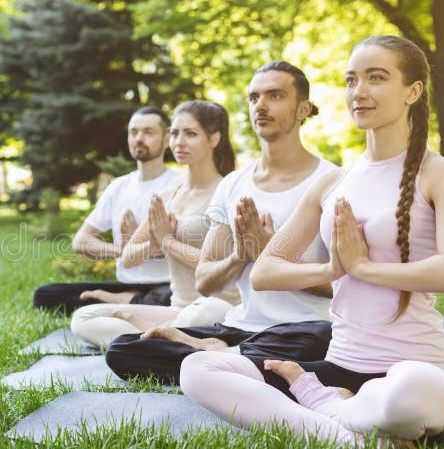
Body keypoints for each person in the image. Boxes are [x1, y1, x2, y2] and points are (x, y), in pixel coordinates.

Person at [179, 35, 444, 447]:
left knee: (409, 393)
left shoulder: (441, 172)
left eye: (376, 78)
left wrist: (362, 267)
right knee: (197, 369)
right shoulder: (332, 182)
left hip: (418, 368)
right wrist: (331, 269)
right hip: (339, 365)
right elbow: (265, 270)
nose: (359, 92)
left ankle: (328, 409)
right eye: (351, 80)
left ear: (413, 91)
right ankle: (353, 440)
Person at [106, 62, 336, 383]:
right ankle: (230, 359)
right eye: (254, 97)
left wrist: (267, 252)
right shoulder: (234, 185)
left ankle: (218, 358)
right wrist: (241, 255)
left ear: (303, 109)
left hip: (306, 327)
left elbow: (342, 287)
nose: (261, 105)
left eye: (276, 95)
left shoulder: (332, 181)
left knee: (320, 340)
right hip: (242, 326)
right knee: (123, 349)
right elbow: (205, 282)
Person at [71, 101, 241, 348]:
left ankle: (148, 339)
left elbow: (217, 266)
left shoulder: (227, 191)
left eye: (190, 134)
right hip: (178, 309)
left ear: (214, 139)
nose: (179, 141)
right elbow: (129, 257)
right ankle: (165, 339)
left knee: (202, 312)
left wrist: (167, 242)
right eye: (174, 133)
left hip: (220, 309)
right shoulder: (168, 195)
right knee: (83, 318)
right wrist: (152, 243)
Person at [32, 106, 182, 315]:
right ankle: (127, 301)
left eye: (148, 132)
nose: (139, 138)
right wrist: (125, 250)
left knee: (171, 298)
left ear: (167, 139)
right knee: (45, 294)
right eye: (133, 132)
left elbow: (180, 243)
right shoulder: (118, 186)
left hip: (166, 284)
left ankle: (119, 304)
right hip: (125, 283)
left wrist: (145, 244)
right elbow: (81, 241)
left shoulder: (180, 183)